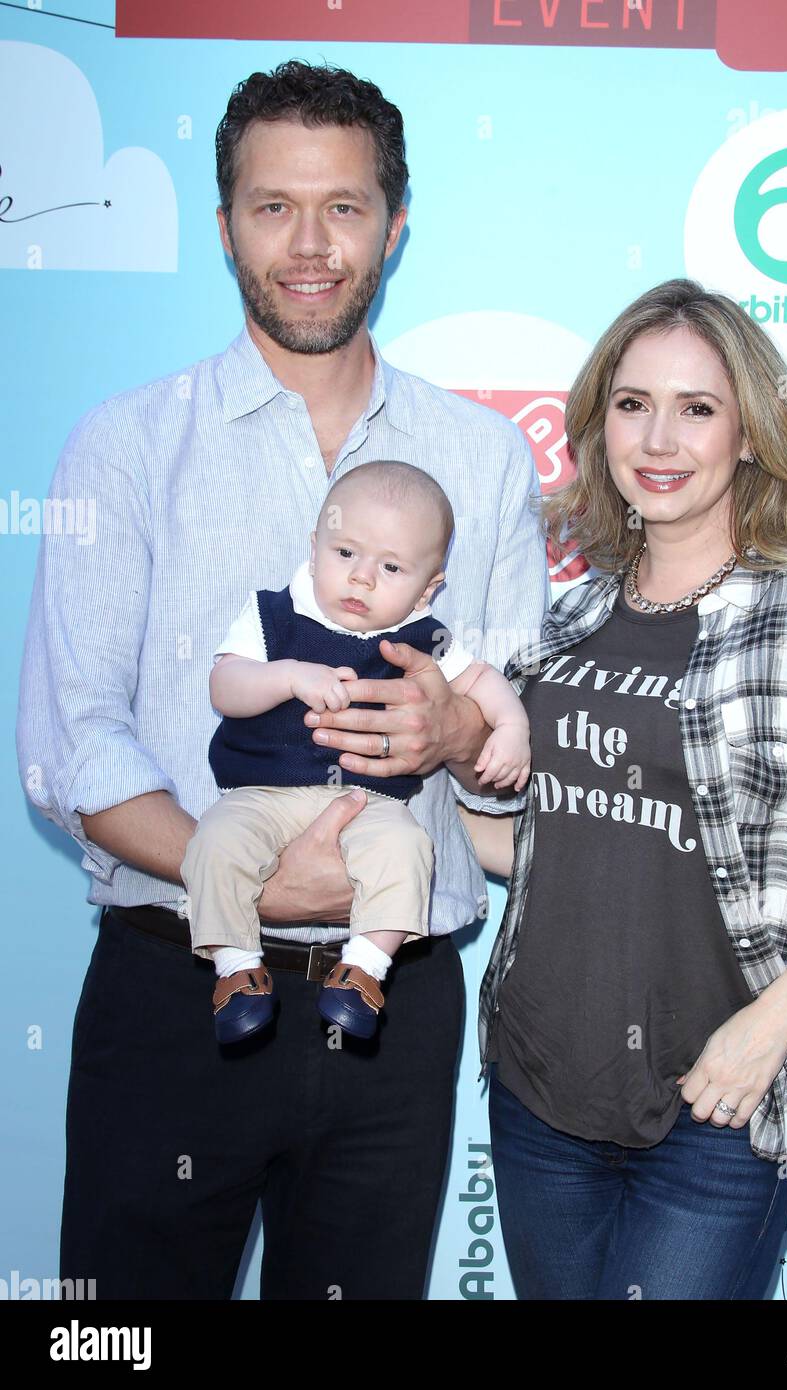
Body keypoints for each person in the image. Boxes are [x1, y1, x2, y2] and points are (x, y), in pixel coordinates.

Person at [16, 59, 548, 1299]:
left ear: (395, 226)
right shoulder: (125, 445)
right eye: (273, 206)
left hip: (395, 1007)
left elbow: (499, 783)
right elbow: (73, 746)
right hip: (175, 986)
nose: (310, 245)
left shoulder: (480, 459)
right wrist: (241, 862)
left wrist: (458, 726)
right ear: (224, 226)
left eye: (346, 207)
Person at [459, 278, 787, 1301]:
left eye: (697, 407)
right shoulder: (561, 622)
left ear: (752, 435)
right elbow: (558, 841)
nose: (659, 438)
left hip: (720, 1108)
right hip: (541, 1090)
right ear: (598, 428)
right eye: (632, 404)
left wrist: (775, 1022)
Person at [184, 462, 530, 1043]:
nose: (362, 578)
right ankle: (235, 966)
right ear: (313, 546)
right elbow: (225, 686)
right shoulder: (271, 615)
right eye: (345, 553)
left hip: (366, 801)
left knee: (408, 846)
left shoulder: (424, 634)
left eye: (391, 567)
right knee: (213, 842)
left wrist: (513, 726)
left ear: (427, 588)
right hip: (260, 794)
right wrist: (287, 676)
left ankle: (365, 969)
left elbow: (483, 681)